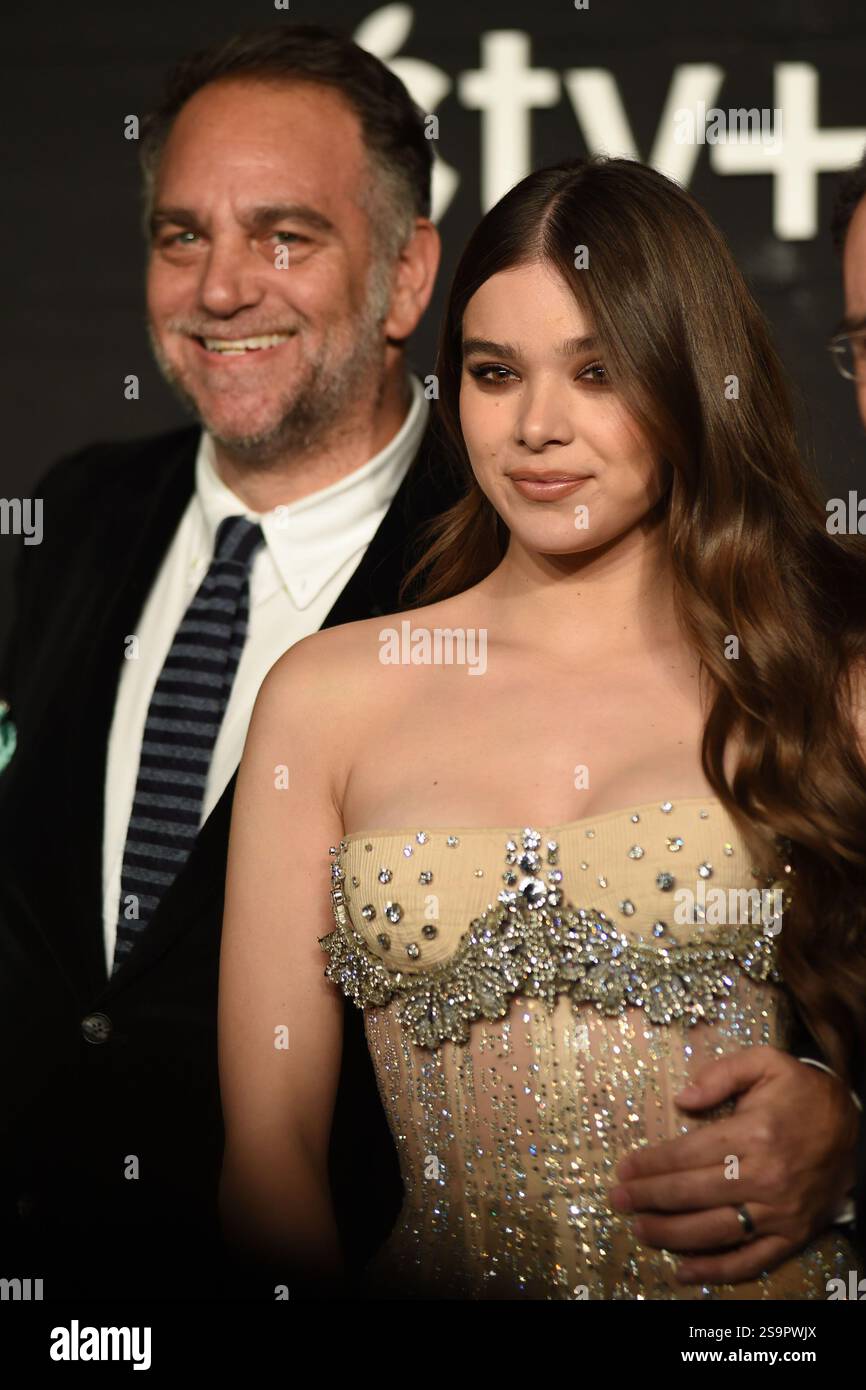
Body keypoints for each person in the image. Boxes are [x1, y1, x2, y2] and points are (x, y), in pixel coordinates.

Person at [218, 154, 866, 1300]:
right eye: (492, 372)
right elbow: (269, 1155)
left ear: (685, 377)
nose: (536, 426)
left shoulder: (817, 671)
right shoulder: (324, 697)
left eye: (597, 370)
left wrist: (849, 1127)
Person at [0, 24, 455, 1300]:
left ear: (406, 276)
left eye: (285, 236)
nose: (218, 288)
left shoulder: (492, 562)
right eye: (182, 234)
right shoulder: (75, 514)